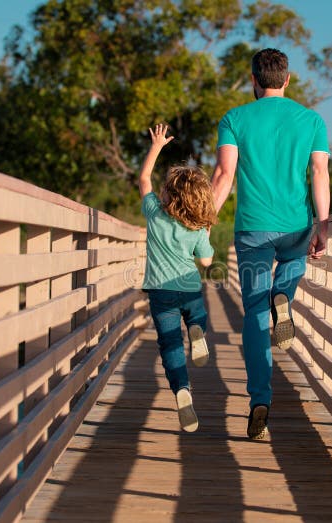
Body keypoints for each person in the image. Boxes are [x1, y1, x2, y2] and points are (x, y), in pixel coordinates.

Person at [211, 48, 330, 440]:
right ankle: (285, 296)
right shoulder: (311, 120)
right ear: (287, 79)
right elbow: (319, 172)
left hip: (252, 230)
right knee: (292, 266)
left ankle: (259, 398)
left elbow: (224, 176)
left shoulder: (234, 119)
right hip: (296, 227)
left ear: (253, 80)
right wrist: (323, 225)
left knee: (254, 315)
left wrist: (203, 222)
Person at [139, 123, 217, 433]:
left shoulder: (155, 214)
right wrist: (205, 234)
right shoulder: (196, 229)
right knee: (197, 317)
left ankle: (182, 389)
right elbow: (207, 261)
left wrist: (156, 146)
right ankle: (197, 330)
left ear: (168, 194)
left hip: (161, 293)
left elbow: (144, 178)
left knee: (170, 344)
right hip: (189, 288)